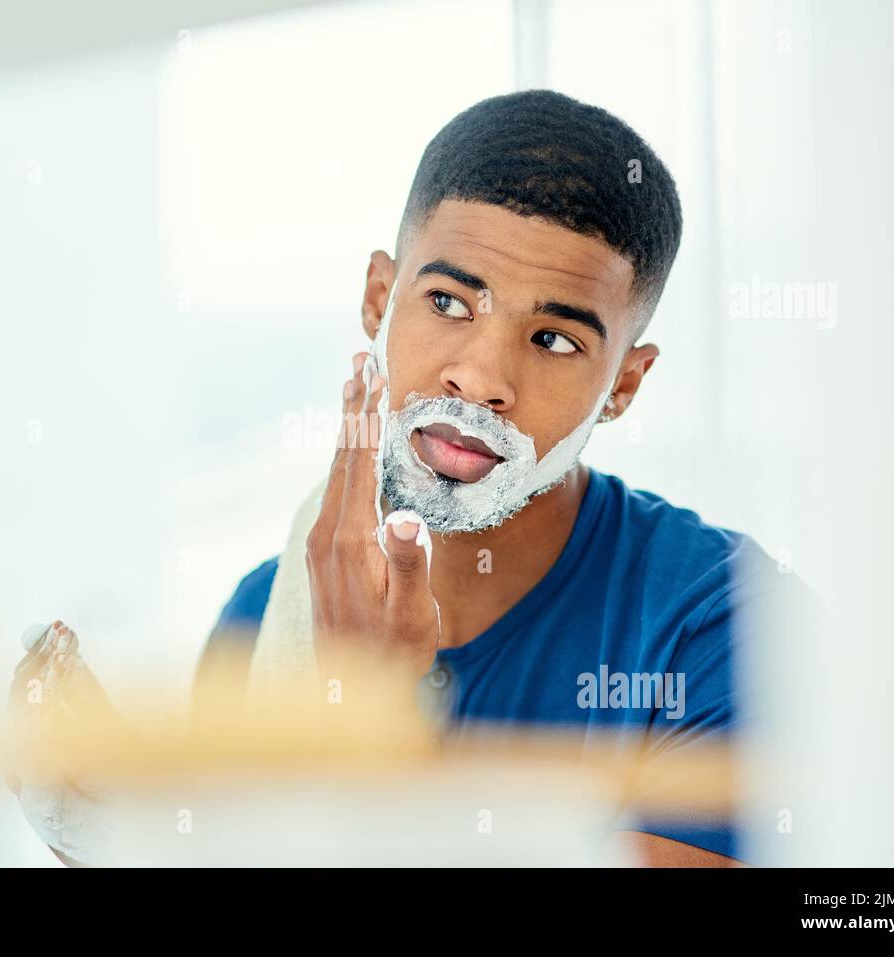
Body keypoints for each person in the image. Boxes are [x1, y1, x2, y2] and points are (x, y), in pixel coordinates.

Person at [194, 89, 815, 867]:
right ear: (379, 300)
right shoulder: (265, 613)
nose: (481, 377)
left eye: (553, 339)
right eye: (448, 301)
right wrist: (94, 839)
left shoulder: (735, 630)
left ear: (622, 385)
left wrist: (374, 721)